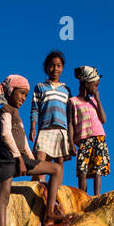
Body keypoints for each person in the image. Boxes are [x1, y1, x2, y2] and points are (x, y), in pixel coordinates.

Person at [0, 75, 64, 226]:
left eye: (26, 95)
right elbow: (6, 135)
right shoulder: (5, 111)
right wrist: (20, 159)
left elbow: (23, 144)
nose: (23, 98)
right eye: (21, 93)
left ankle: (49, 213)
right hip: (5, 158)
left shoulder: (17, 115)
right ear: (10, 91)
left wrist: (32, 161)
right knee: (3, 197)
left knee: (56, 169)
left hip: (19, 157)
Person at [29, 51, 73, 199]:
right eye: (52, 65)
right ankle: (40, 189)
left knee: (59, 161)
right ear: (46, 68)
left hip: (62, 129)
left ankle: (55, 193)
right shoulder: (40, 87)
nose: (55, 69)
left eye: (59, 66)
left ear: (63, 68)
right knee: (40, 159)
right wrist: (33, 127)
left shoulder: (66, 90)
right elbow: (35, 108)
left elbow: (70, 114)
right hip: (45, 128)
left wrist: (71, 138)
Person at [67, 66, 109, 196]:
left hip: (98, 136)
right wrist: (70, 142)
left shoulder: (93, 101)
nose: (96, 88)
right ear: (86, 84)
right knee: (82, 170)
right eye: (94, 85)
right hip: (83, 138)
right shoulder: (72, 102)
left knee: (97, 169)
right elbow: (70, 124)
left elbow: (103, 119)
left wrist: (98, 100)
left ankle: (96, 196)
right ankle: (83, 196)